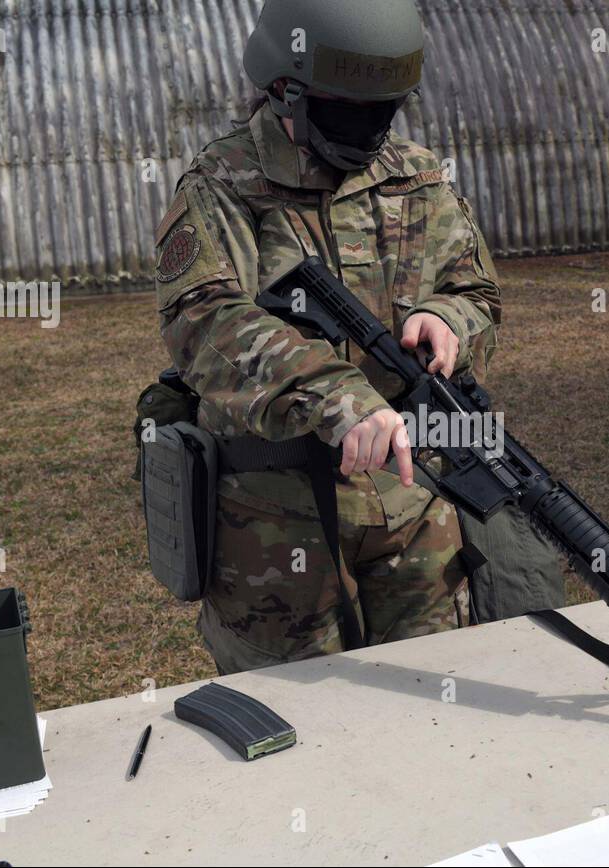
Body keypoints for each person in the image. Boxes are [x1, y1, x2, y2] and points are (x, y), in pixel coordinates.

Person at [154, 0, 502, 674]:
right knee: (300, 735)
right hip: (278, 527)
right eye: (349, 110)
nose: (370, 131)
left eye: (385, 111)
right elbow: (205, 321)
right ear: (287, 88)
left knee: (442, 711)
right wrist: (341, 399)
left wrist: (449, 320)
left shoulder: (417, 175)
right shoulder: (223, 185)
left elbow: (475, 291)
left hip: (417, 511)